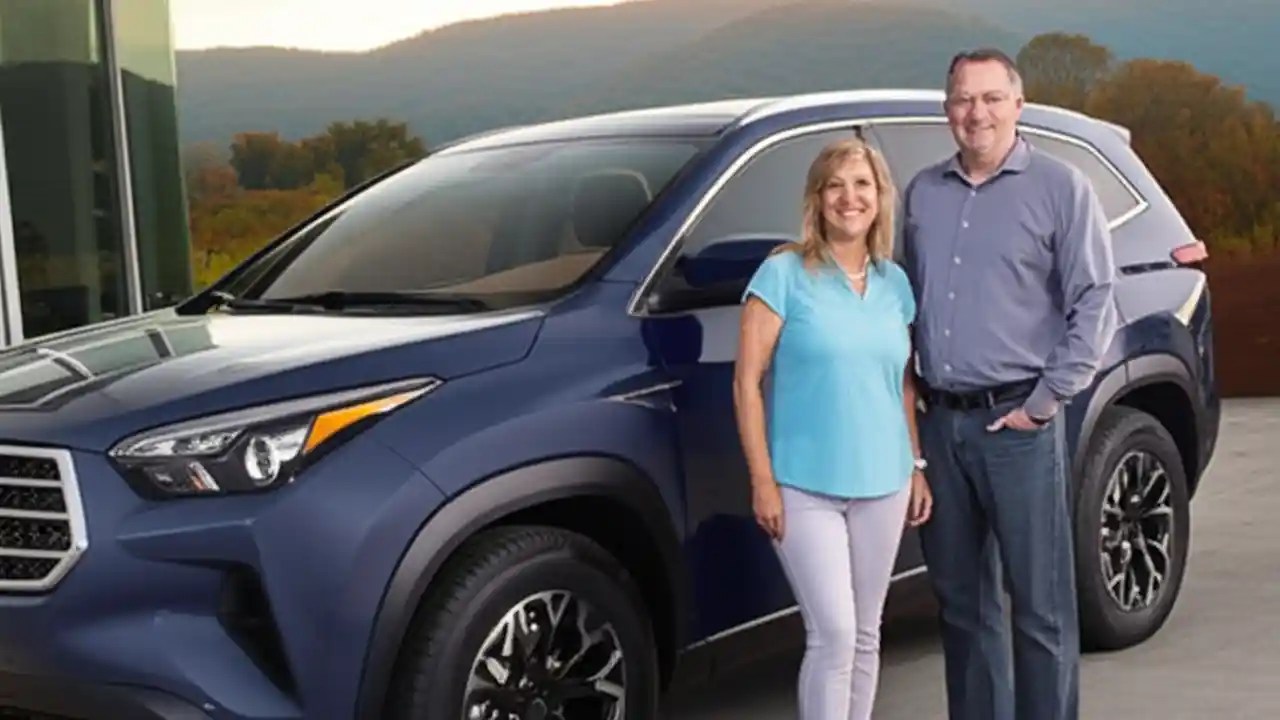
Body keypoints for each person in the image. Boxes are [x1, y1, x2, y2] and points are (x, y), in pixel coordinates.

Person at [901, 48, 1118, 720]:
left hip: (1017, 425)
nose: (977, 113)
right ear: (947, 112)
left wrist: (1045, 401)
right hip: (940, 425)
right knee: (963, 609)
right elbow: (905, 304)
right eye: (964, 99)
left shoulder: (1061, 187)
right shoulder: (922, 193)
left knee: (1040, 609)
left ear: (1018, 106)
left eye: (992, 98)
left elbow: (1096, 301)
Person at [733, 136, 933, 720]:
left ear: (880, 197)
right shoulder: (782, 275)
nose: (850, 198)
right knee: (835, 634)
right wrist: (762, 480)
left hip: (886, 482)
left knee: (868, 634)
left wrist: (916, 465)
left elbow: (901, 382)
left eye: (862, 184)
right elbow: (747, 383)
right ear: (817, 199)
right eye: (835, 186)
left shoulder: (894, 283)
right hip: (803, 486)